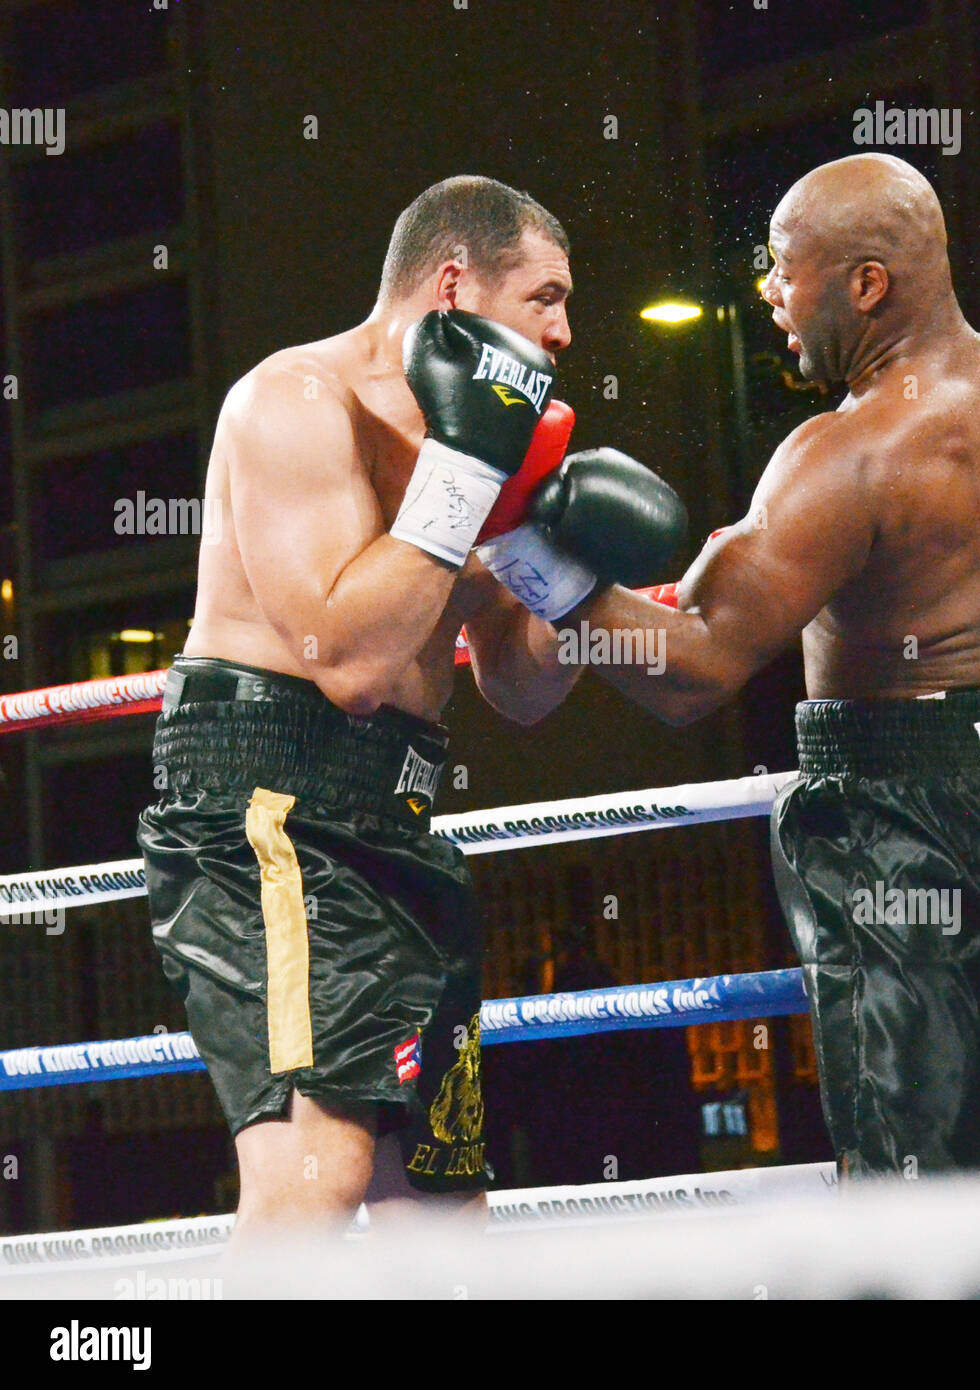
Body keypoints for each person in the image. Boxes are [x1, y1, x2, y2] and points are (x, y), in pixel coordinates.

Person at [136, 175, 684, 1243]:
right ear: (452, 285)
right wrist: (464, 470)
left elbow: (517, 689)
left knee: (440, 1200)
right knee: (319, 1168)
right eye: (545, 298)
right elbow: (346, 660)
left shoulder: (505, 446)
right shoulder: (296, 401)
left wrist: (568, 572)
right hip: (266, 807)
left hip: (400, 816)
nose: (565, 332)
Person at [551, 153, 980, 1176]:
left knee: (901, 1169)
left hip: (898, 820)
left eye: (784, 264)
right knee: (960, 1145)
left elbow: (695, 669)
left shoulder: (848, 452)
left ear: (865, 284)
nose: (767, 289)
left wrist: (544, 573)